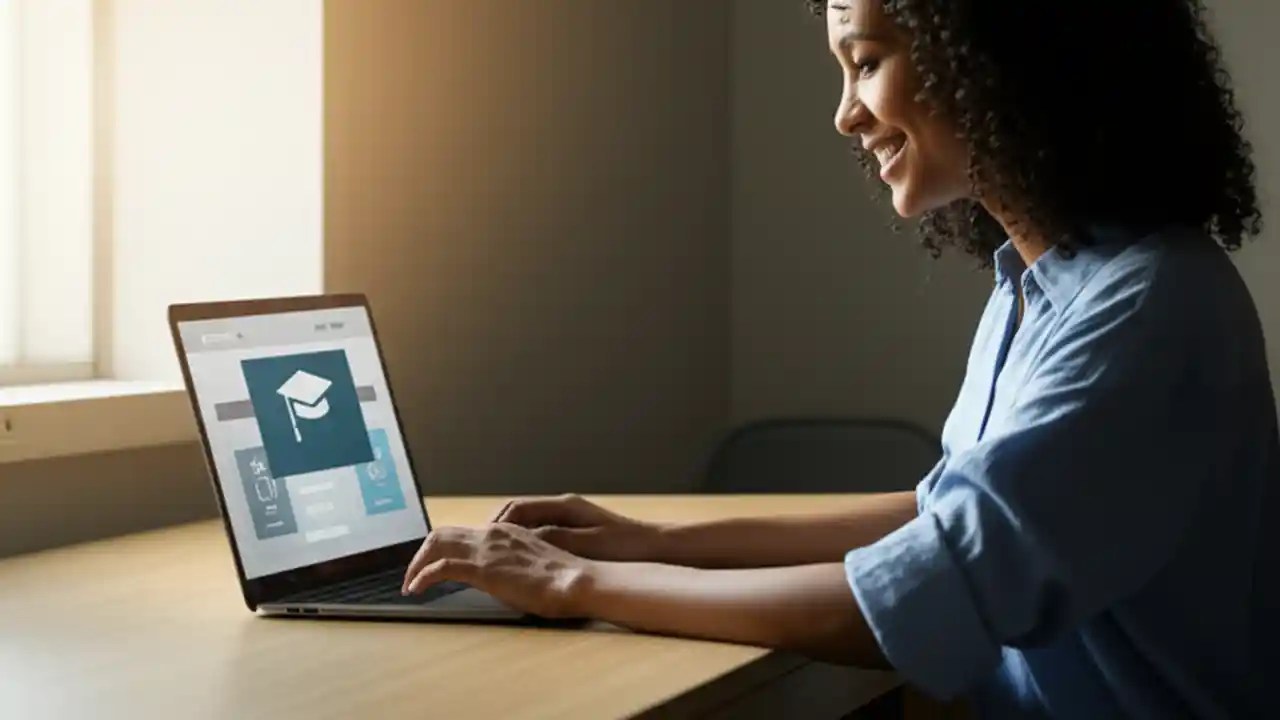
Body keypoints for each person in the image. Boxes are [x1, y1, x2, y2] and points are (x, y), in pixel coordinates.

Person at [402, 1, 1279, 716]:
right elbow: (940, 517)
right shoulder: (1044, 287)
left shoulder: (1150, 310)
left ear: (994, 50)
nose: (845, 111)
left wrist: (581, 581)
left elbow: (908, 594)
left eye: (864, 61)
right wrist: (653, 542)